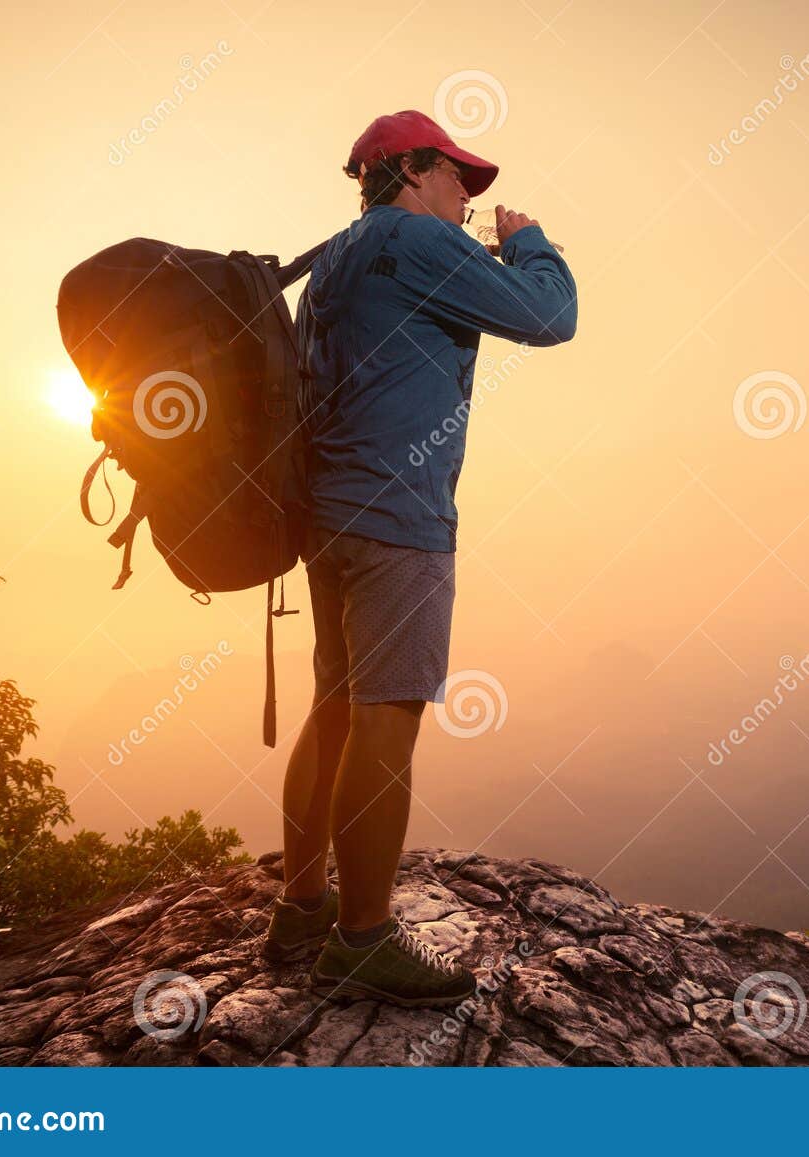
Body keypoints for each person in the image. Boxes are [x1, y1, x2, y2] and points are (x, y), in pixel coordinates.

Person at [263, 109, 578, 1007]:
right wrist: (531, 242)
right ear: (411, 168)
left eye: (481, 194)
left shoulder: (334, 257)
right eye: (458, 180)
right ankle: (363, 939)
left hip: (327, 517)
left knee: (333, 706)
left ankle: (300, 908)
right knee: (387, 719)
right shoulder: (419, 242)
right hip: (398, 518)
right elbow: (550, 318)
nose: (470, 200)